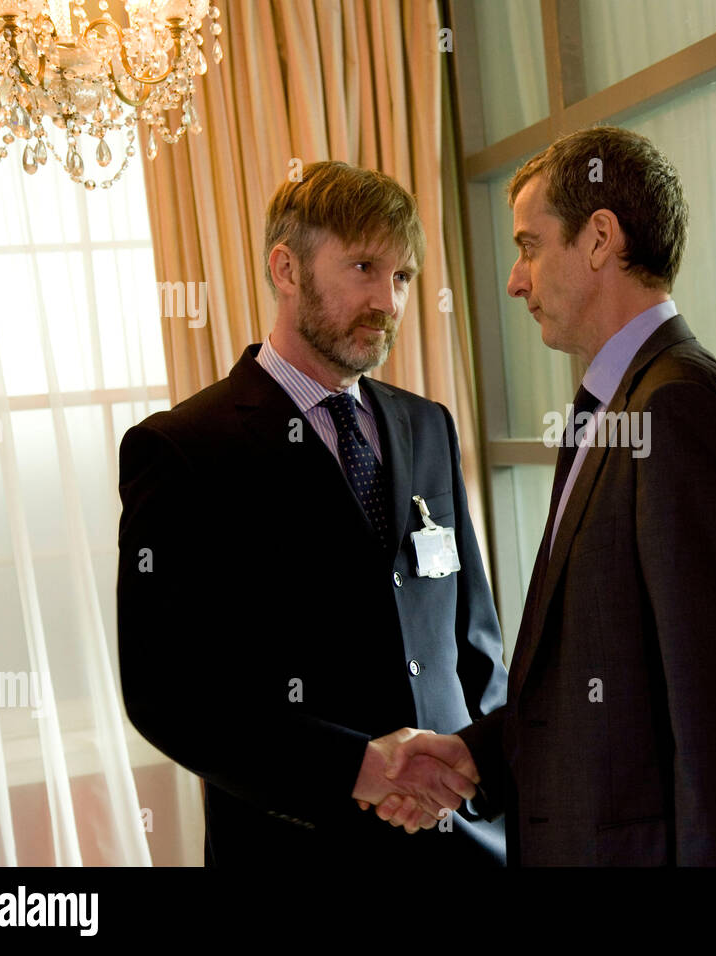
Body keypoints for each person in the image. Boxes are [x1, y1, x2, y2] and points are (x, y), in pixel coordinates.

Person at [376, 127, 716, 866]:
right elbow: (603, 677)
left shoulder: (679, 408)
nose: (516, 280)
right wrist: (470, 756)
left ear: (599, 239)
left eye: (528, 245)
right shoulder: (617, 405)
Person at [116, 160, 506, 867]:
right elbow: (165, 691)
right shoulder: (181, 450)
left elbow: (474, 643)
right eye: (363, 266)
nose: (387, 300)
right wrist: (360, 768)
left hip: (467, 844)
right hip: (297, 849)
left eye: (404, 276)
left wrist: (481, 772)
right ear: (286, 268)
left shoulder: (429, 426)